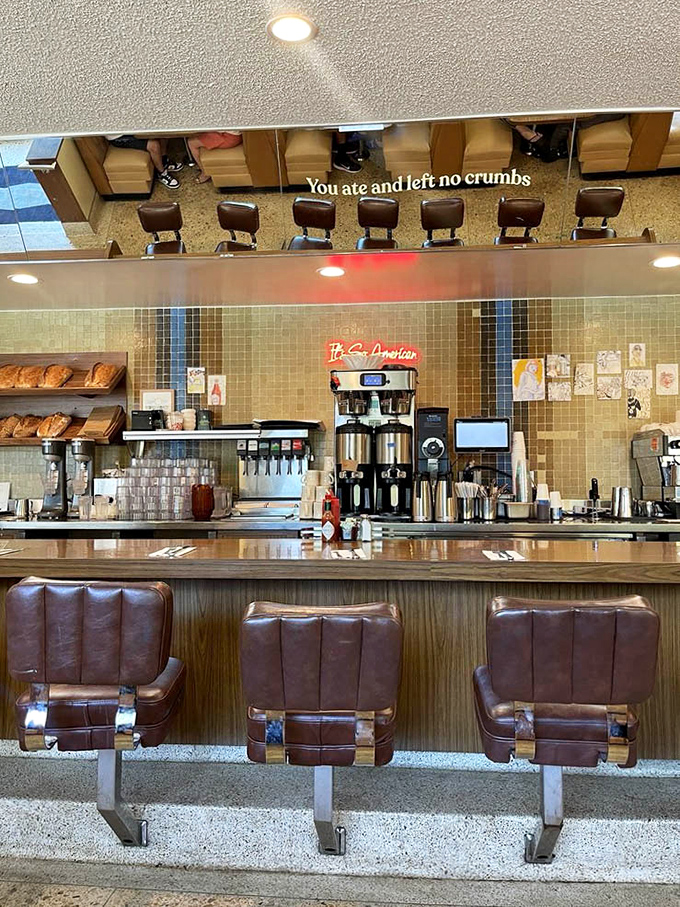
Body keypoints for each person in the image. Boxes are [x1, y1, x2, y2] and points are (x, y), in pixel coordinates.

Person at [105, 135, 183, 189]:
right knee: (153, 145)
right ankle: (161, 173)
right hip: (118, 137)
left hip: (130, 129)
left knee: (162, 134)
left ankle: (163, 161)